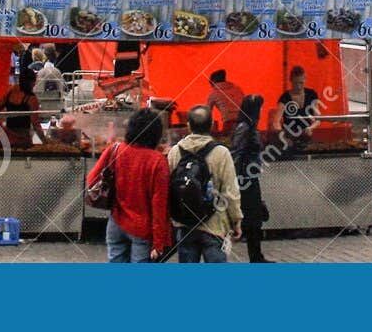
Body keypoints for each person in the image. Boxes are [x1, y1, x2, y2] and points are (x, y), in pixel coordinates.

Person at [86, 107, 172, 262]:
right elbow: (159, 205)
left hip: (116, 221)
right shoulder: (158, 161)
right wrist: (158, 242)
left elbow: (92, 179)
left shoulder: (115, 149)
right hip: (143, 229)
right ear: (156, 134)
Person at [168, 105, 242, 262]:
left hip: (185, 224)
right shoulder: (222, 153)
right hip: (214, 225)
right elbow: (230, 192)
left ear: (188, 125)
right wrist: (236, 221)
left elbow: (168, 188)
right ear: (212, 126)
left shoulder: (175, 152)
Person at [230, 94, 271, 263]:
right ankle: (256, 256)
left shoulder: (248, 127)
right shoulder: (245, 128)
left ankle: (256, 255)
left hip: (248, 177)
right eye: (260, 107)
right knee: (252, 217)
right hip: (246, 180)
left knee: (253, 217)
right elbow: (237, 154)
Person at [0, 70, 44, 152]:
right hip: (23, 141)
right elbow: (36, 124)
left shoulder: (12, 90)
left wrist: (0, 127)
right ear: (32, 82)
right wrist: (45, 142)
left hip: (7, 138)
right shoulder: (32, 99)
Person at [272, 66, 319, 157]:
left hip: (306, 137)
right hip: (289, 137)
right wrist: (284, 138)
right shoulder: (285, 97)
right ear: (291, 81)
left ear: (305, 79)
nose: (298, 86)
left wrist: (311, 128)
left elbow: (317, 119)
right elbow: (276, 122)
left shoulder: (312, 94)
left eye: (301, 83)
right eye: (295, 83)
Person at [206, 69, 246, 133]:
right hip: (245, 122)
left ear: (213, 81)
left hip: (229, 123)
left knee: (227, 140)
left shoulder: (213, 93)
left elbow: (206, 113)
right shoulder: (237, 89)